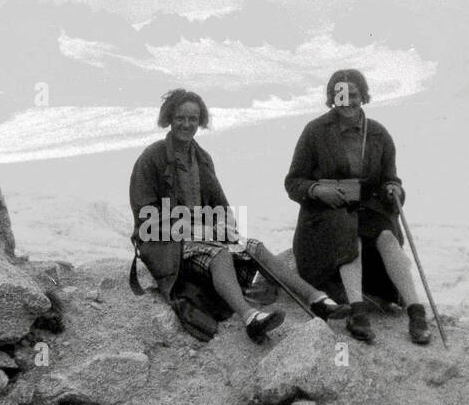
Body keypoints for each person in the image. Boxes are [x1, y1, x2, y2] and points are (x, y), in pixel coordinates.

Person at [130, 88, 350, 343]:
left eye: (193, 118)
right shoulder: (152, 157)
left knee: (254, 246)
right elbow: (146, 218)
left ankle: (318, 300)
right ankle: (250, 318)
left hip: (202, 236)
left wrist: (226, 226)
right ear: (169, 118)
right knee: (218, 253)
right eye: (180, 117)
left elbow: (221, 205)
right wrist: (195, 229)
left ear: (200, 121)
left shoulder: (201, 158)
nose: (187, 124)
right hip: (165, 242)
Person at [285, 69, 432, 344]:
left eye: (353, 94)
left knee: (387, 234)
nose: (347, 101)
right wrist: (318, 190)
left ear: (363, 96)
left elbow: (391, 178)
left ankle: (416, 311)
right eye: (339, 95)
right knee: (347, 232)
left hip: (368, 209)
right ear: (331, 98)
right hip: (324, 214)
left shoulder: (378, 133)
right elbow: (294, 182)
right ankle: (357, 311)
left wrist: (394, 190)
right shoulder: (315, 131)